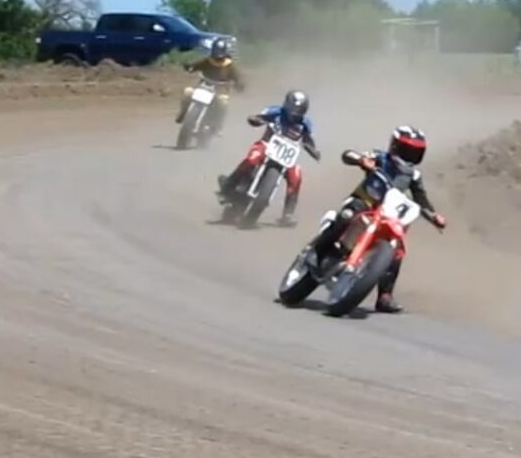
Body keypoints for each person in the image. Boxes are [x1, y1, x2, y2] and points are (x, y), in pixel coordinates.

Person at [307, 126, 447, 313]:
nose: (410, 156)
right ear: (395, 147)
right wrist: (361, 160)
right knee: (347, 216)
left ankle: (385, 296)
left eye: (415, 153)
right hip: (364, 202)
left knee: (396, 250)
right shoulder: (380, 157)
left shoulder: (414, 175)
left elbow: (421, 199)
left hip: (387, 214)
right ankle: (318, 251)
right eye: (406, 150)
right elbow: (348, 155)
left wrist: (434, 216)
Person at [217, 90, 320, 225]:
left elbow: (307, 140)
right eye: (292, 108)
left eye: (299, 110)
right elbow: (260, 117)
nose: (294, 113)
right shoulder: (275, 111)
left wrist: (313, 150)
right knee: (251, 159)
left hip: (286, 158)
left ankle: (287, 214)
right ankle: (228, 186)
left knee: (296, 177)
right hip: (265, 146)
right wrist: (256, 120)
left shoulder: (305, 123)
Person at [176, 38, 245, 127]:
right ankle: (183, 114)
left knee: (223, 103)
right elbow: (195, 66)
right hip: (203, 87)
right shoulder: (207, 61)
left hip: (220, 91)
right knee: (187, 92)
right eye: (216, 54)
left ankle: (218, 125)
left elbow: (237, 77)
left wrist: (239, 84)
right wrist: (189, 66)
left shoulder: (229, 66)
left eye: (220, 55)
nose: (217, 59)